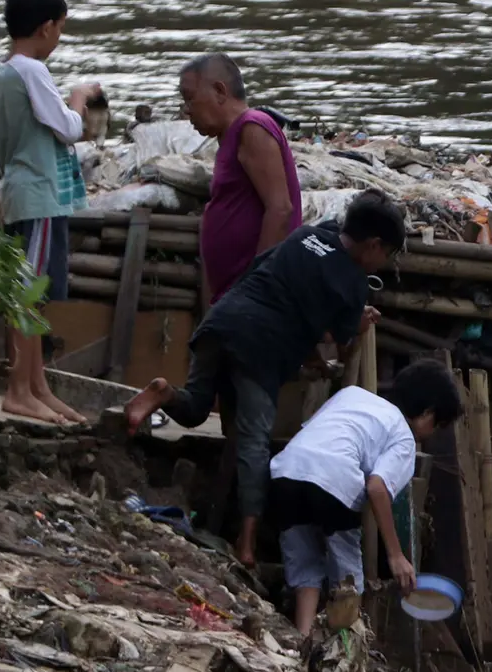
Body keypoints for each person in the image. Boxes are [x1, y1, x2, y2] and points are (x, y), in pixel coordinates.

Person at [126, 191, 406, 566]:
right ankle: (247, 541)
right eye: (387, 255)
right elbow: (336, 339)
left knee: (195, 407)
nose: (382, 264)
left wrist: (315, 355)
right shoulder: (353, 281)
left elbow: (280, 290)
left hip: (222, 321)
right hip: (260, 347)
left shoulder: (308, 234)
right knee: (254, 444)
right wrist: (358, 324)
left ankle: (163, 392)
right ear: (374, 245)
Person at [269, 360, 462, 637]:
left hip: (286, 473)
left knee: (304, 567)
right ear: (426, 413)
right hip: (335, 482)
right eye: (436, 425)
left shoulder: (351, 394)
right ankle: (346, 651)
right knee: (348, 582)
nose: (431, 433)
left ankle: (303, 639)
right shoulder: (404, 437)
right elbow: (377, 487)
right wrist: (396, 555)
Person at [0, 0, 101, 426]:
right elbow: (69, 129)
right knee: (28, 296)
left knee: (28, 293)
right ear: (47, 27)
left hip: (19, 188)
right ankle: (19, 390)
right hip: (38, 196)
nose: (59, 37)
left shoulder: (1, 71)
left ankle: (37, 387)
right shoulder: (32, 71)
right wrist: (78, 99)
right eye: (61, 28)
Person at [180, 53, 302, 303]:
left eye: (190, 99)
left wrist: (253, 290)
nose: (186, 111)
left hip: (254, 299)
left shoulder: (252, 127)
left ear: (219, 91)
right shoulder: (230, 137)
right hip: (234, 295)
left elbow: (280, 210)